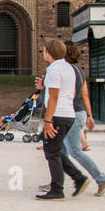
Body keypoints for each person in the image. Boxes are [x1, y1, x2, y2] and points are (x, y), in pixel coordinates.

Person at [43, 42, 105, 197]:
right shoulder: (77, 70)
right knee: (59, 150)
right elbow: (84, 93)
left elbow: (66, 94)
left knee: (72, 151)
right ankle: (59, 181)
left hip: (67, 111)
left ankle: (97, 178)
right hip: (75, 112)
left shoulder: (61, 69)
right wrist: (89, 114)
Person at [35, 39, 87, 201]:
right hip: (69, 113)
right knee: (54, 149)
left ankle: (58, 188)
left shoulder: (54, 69)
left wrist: (48, 121)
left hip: (58, 114)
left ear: (49, 52)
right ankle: (78, 178)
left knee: (51, 152)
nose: (43, 53)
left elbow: (54, 97)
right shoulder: (68, 68)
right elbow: (68, 92)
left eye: (44, 50)